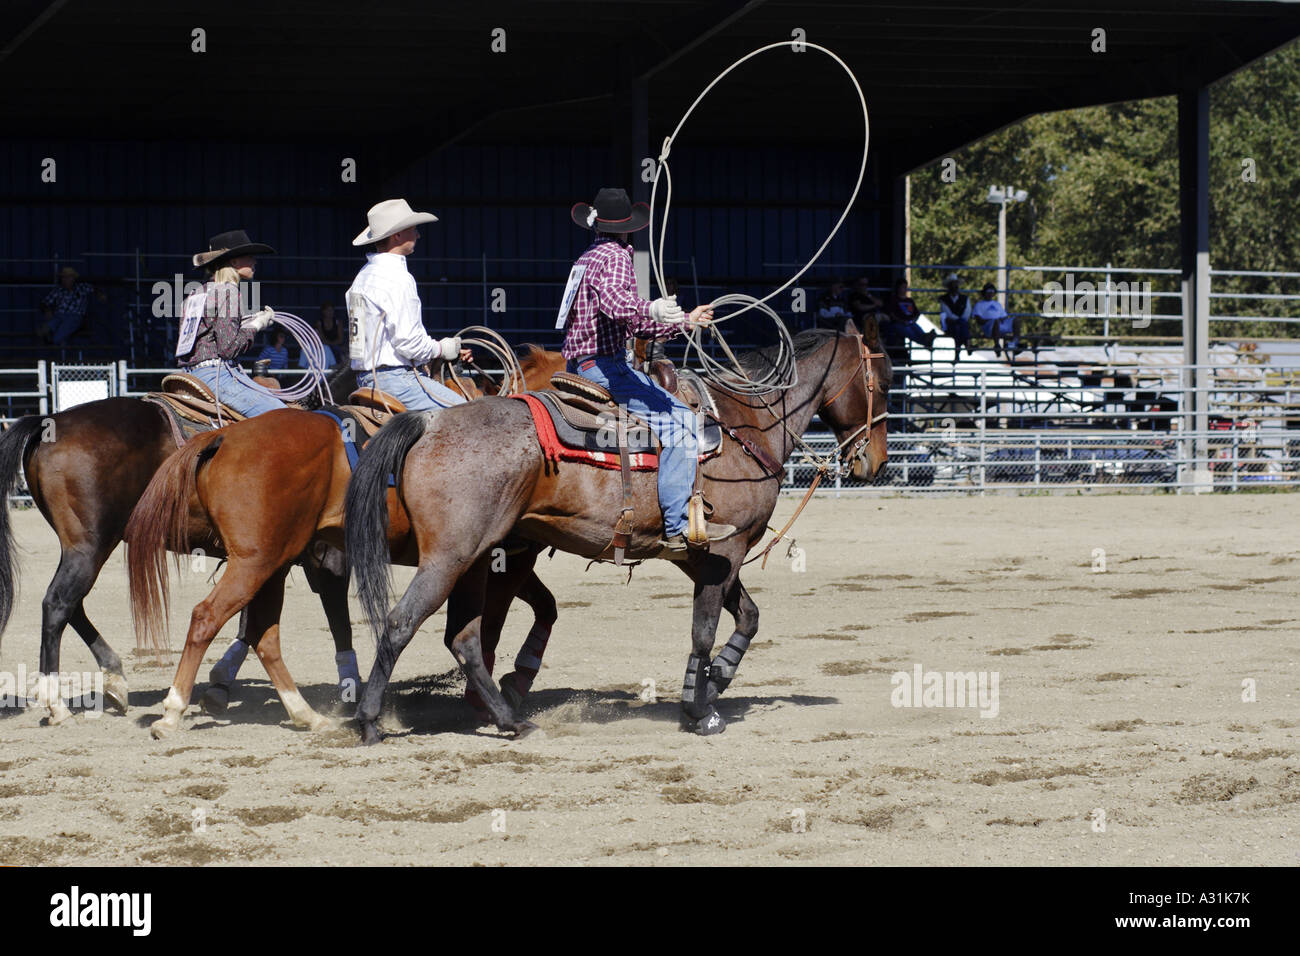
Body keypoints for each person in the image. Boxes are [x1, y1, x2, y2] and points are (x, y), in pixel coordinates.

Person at [561, 187, 735, 557]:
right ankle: (676, 527)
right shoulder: (615, 257)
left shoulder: (588, 256)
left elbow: (632, 322)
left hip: (580, 362)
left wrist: (685, 320)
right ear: (628, 226)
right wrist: (653, 308)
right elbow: (616, 305)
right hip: (605, 366)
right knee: (683, 424)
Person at [347, 199, 470, 410]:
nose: (418, 235)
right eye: (413, 230)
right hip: (397, 382)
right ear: (398, 235)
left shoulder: (362, 278)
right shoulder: (397, 278)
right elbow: (408, 343)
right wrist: (442, 348)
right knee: (469, 415)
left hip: (366, 380)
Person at [176, 229, 286, 418]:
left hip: (189, 375)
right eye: (249, 257)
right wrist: (256, 325)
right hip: (216, 376)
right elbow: (228, 348)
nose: (255, 261)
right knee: (282, 416)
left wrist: (246, 321)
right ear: (234, 262)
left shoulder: (195, 294)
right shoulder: (229, 292)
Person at [39, 266, 105, 346]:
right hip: (59, 315)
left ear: (73, 278)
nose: (66, 280)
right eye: (64, 278)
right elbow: (45, 303)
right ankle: (46, 336)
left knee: (66, 326)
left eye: (68, 277)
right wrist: (47, 310)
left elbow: (95, 289)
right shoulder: (58, 290)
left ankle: (52, 341)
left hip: (75, 316)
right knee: (48, 326)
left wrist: (100, 295)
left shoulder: (82, 288)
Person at [882, 276, 936, 350]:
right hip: (898, 324)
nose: (904, 289)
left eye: (905, 287)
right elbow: (891, 314)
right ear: (898, 288)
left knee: (917, 329)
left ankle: (926, 340)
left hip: (911, 323)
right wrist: (901, 321)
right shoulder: (893, 300)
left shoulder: (910, 300)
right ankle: (926, 343)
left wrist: (912, 320)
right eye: (902, 287)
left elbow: (917, 313)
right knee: (909, 331)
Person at [972, 282, 1017, 357]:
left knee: (1016, 320)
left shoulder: (997, 304)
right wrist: (991, 321)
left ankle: (1015, 343)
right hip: (988, 328)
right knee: (995, 321)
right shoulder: (979, 305)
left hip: (1000, 325)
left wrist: (1000, 320)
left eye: (992, 291)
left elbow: (1004, 316)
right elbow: (979, 320)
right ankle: (997, 345)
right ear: (984, 293)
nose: (990, 293)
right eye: (988, 292)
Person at [937, 273, 973, 358]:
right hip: (951, 325)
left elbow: (967, 313)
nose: (955, 287)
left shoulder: (965, 299)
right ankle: (968, 344)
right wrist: (959, 320)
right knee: (959, 327)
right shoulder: (944, 299)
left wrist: (959, 321)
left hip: (959, 324)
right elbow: (947, 313)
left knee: (959, 328)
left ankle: (958, 350)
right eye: (953, 285)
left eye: (956, 284)